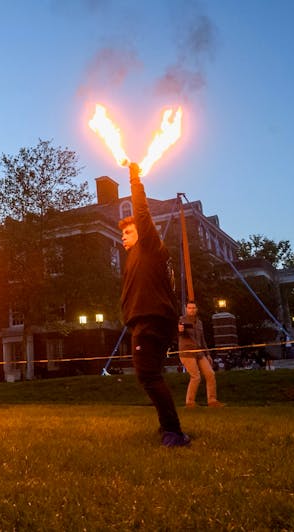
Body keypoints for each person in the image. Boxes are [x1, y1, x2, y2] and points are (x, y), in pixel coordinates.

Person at [119, 162, 190, 447]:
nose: (123, 237)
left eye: (127, 232)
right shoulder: (136, 258)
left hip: (152, 319)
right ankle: (169, 429)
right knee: (150, 374)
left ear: (142, 233)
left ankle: (173, 432)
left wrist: (135, 179)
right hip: (146, 319)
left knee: (147, 374)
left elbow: (142, 213)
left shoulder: (149, 247)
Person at [178, 301, 224, 408]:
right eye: (189, 308)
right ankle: (190, 402)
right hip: (187, 352)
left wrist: (207, 354)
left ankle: (212, 401)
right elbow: (181, 334)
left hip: (199, 352)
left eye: (193, 308)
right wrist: (181, 330)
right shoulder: (182, 321)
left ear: (196, 309)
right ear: (186, 309)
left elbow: (202, 339)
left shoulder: (199, 323)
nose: (192, 310)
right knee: (196, 377)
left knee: (210, 374)